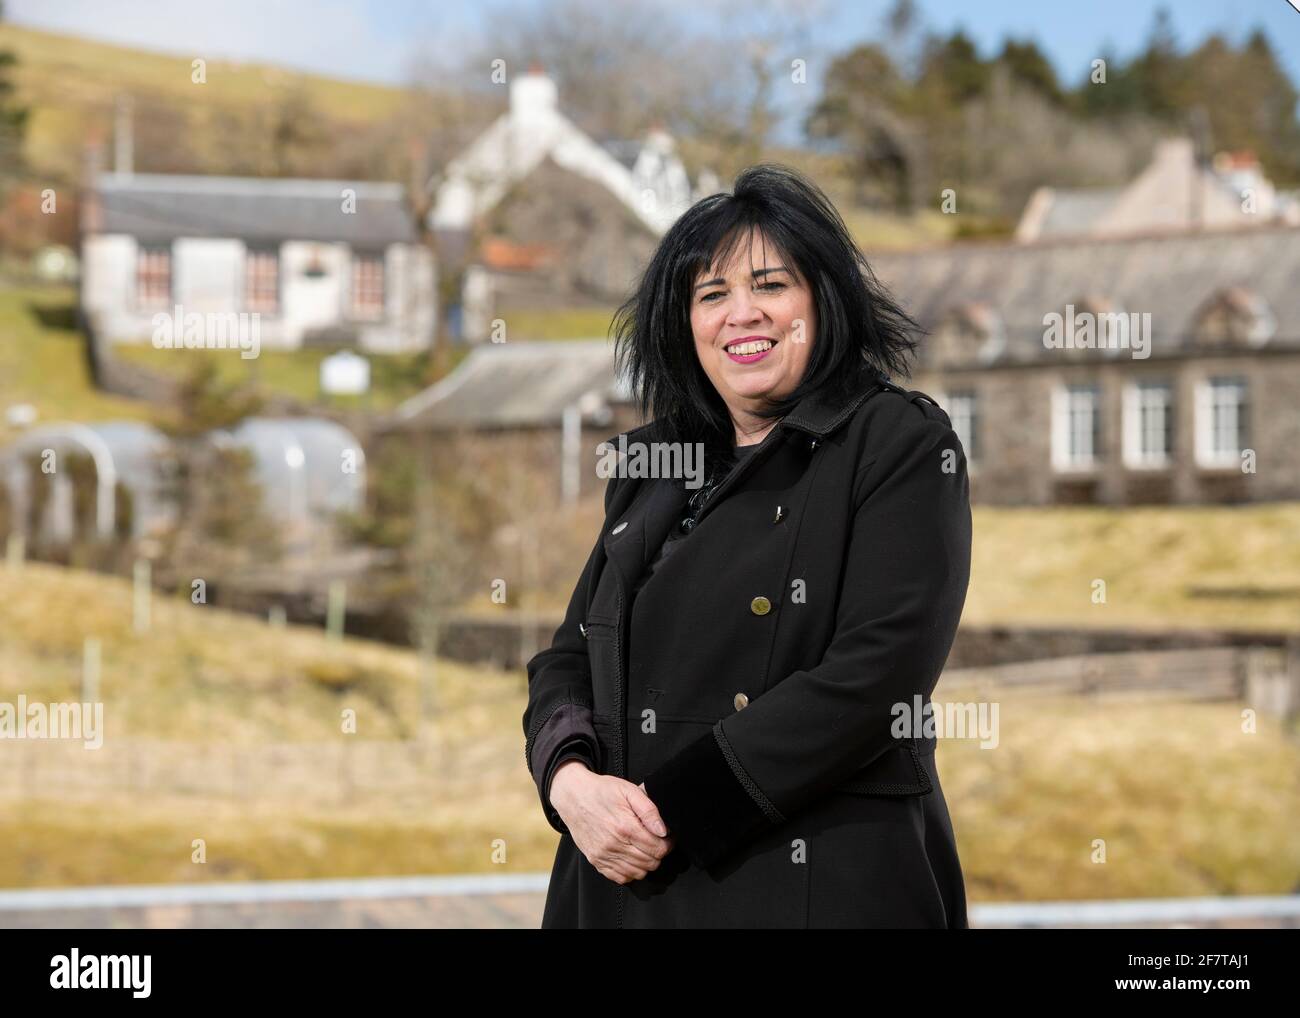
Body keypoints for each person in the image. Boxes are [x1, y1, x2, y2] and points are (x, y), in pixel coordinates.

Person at [522, 163, 972, 928]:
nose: (743, 315)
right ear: (683, 324)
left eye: (771, 285)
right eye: (712, 294)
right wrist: (570, 783)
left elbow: (876, 676)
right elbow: (569, 658)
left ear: (822, 298)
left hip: (812, 884)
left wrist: (667, 814)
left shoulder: (897, 442)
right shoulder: (652, 465)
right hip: (620, 885)